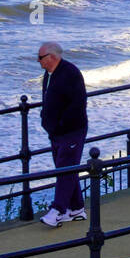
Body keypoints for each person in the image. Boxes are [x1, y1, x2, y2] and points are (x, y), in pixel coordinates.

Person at [37, 41, 88, 228]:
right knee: (66, 167)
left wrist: (61, 125)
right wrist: (47, 122)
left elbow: (78, 104)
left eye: (41, 57)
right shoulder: (48, 74)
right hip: (56, 132)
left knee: (65, 168)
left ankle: (58, 210)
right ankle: (76, 208)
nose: (38, 60)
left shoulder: (71, 74)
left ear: (52, 57)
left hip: (71, 131)